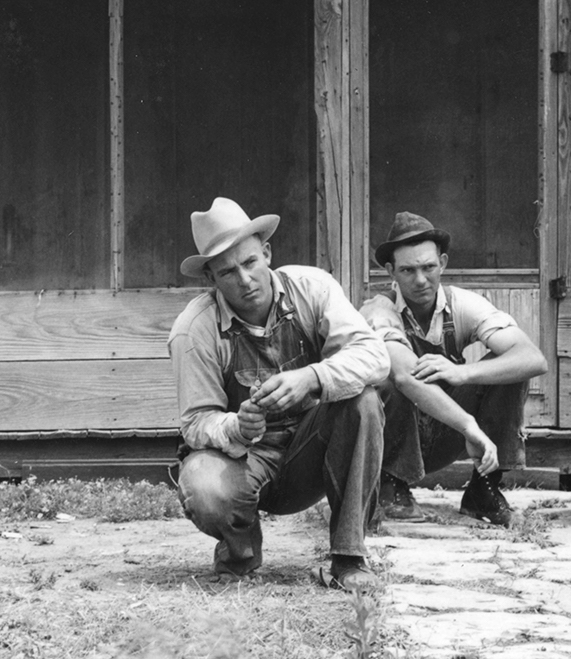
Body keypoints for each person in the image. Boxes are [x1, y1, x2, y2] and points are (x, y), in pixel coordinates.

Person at [168, 197, 390, 590]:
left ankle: (348, 558)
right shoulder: (194, 330)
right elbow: (196, 423)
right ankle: (240, 552)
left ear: (267, 252)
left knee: (364, 401)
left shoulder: (312, 288)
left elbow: (376, 357)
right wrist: (236, 426)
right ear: (211, 280)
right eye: (227, 272)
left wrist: (313, 377)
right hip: (246, 459)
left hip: (310, 450)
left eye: (250, 262)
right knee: (203, 485)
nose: (244, 280)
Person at [361, 211, 548, 528]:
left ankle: (483, 491)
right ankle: (390, 484)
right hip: (396, 438)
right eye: (408, 270)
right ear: (390, 270)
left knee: (508, 371)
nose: (421, 280)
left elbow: (533, 358)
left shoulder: (463, 305)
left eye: (428, 267)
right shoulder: (379, 310)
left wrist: (464, 373)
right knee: (389, 381)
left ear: (443, 263)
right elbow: (406, 376)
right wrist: (469, 426)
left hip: (445, 433)